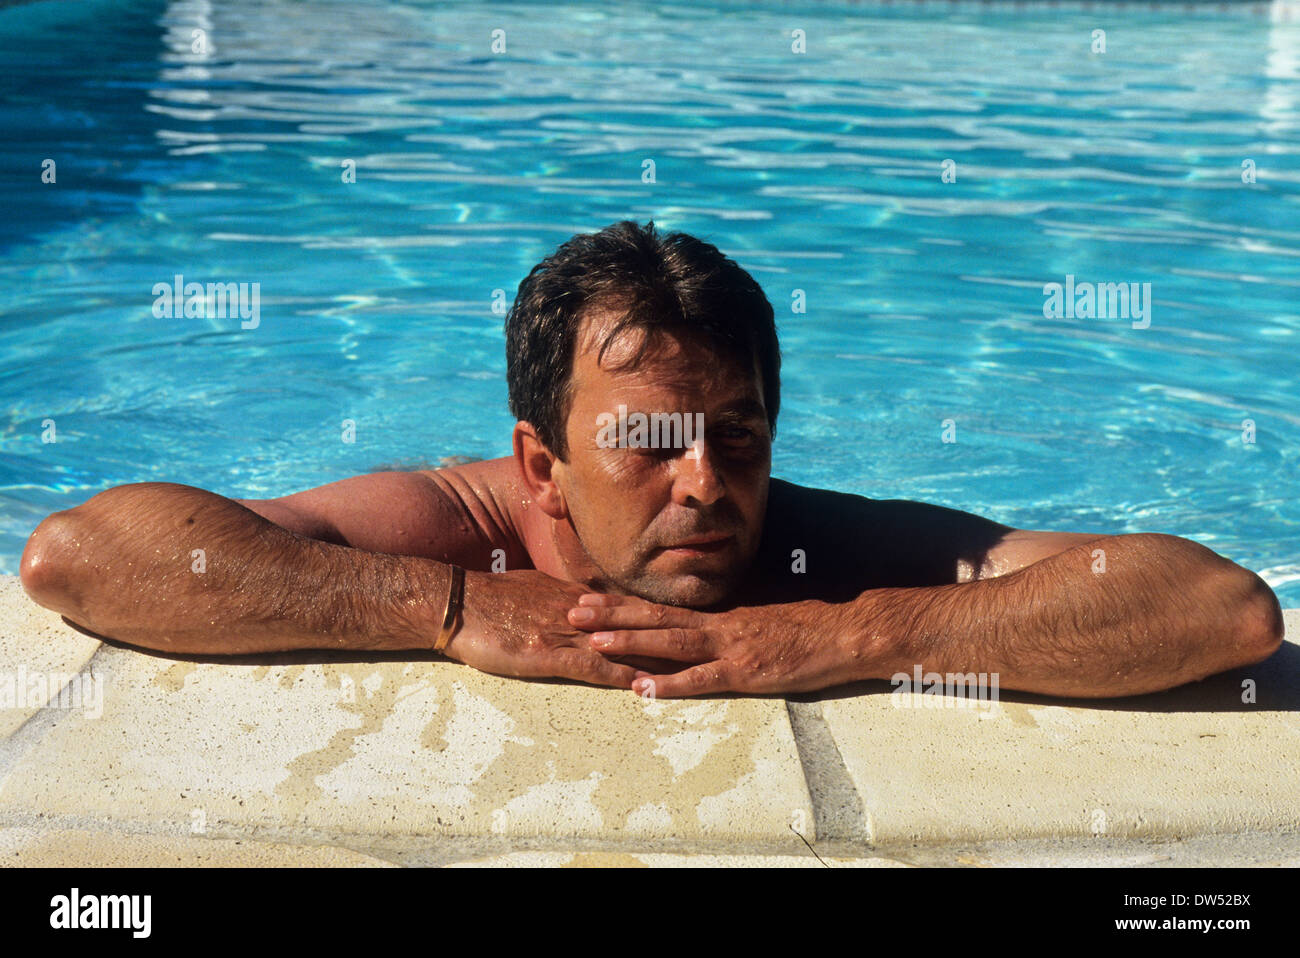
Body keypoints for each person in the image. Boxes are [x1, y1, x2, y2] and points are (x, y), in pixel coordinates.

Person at [19, 221, 1284, 699]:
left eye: (736, 437)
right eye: (644, 443)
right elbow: (81, 554)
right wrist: (442, 607)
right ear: (542, 460)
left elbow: (1216, 606)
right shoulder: (459, 524)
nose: (704, 486)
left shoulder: (809, 543)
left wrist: (847, 634)